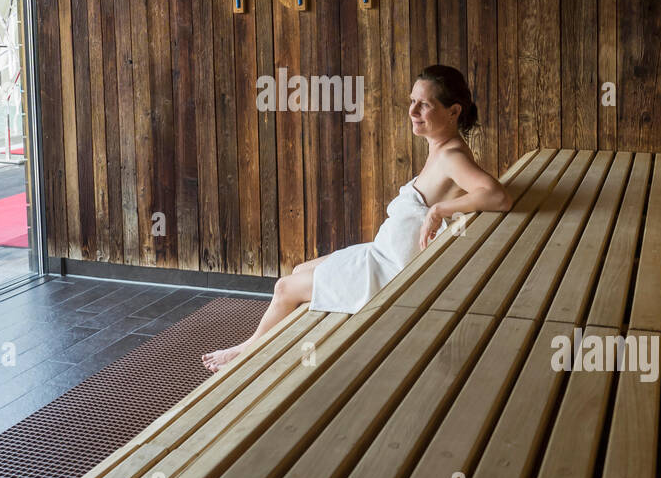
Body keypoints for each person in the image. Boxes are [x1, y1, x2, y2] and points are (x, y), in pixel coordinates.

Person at [202, 64, 512, 373]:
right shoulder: (442, 149)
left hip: (385, 275)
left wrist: (439, 211)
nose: (413, 110)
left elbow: (498, 196)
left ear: (453, 111)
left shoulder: (451, 156)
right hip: (378, 258)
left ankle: (247, 353)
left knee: (285, 287)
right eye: (412, 101)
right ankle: (275, 345)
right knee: (299, 271)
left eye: (425, 104)